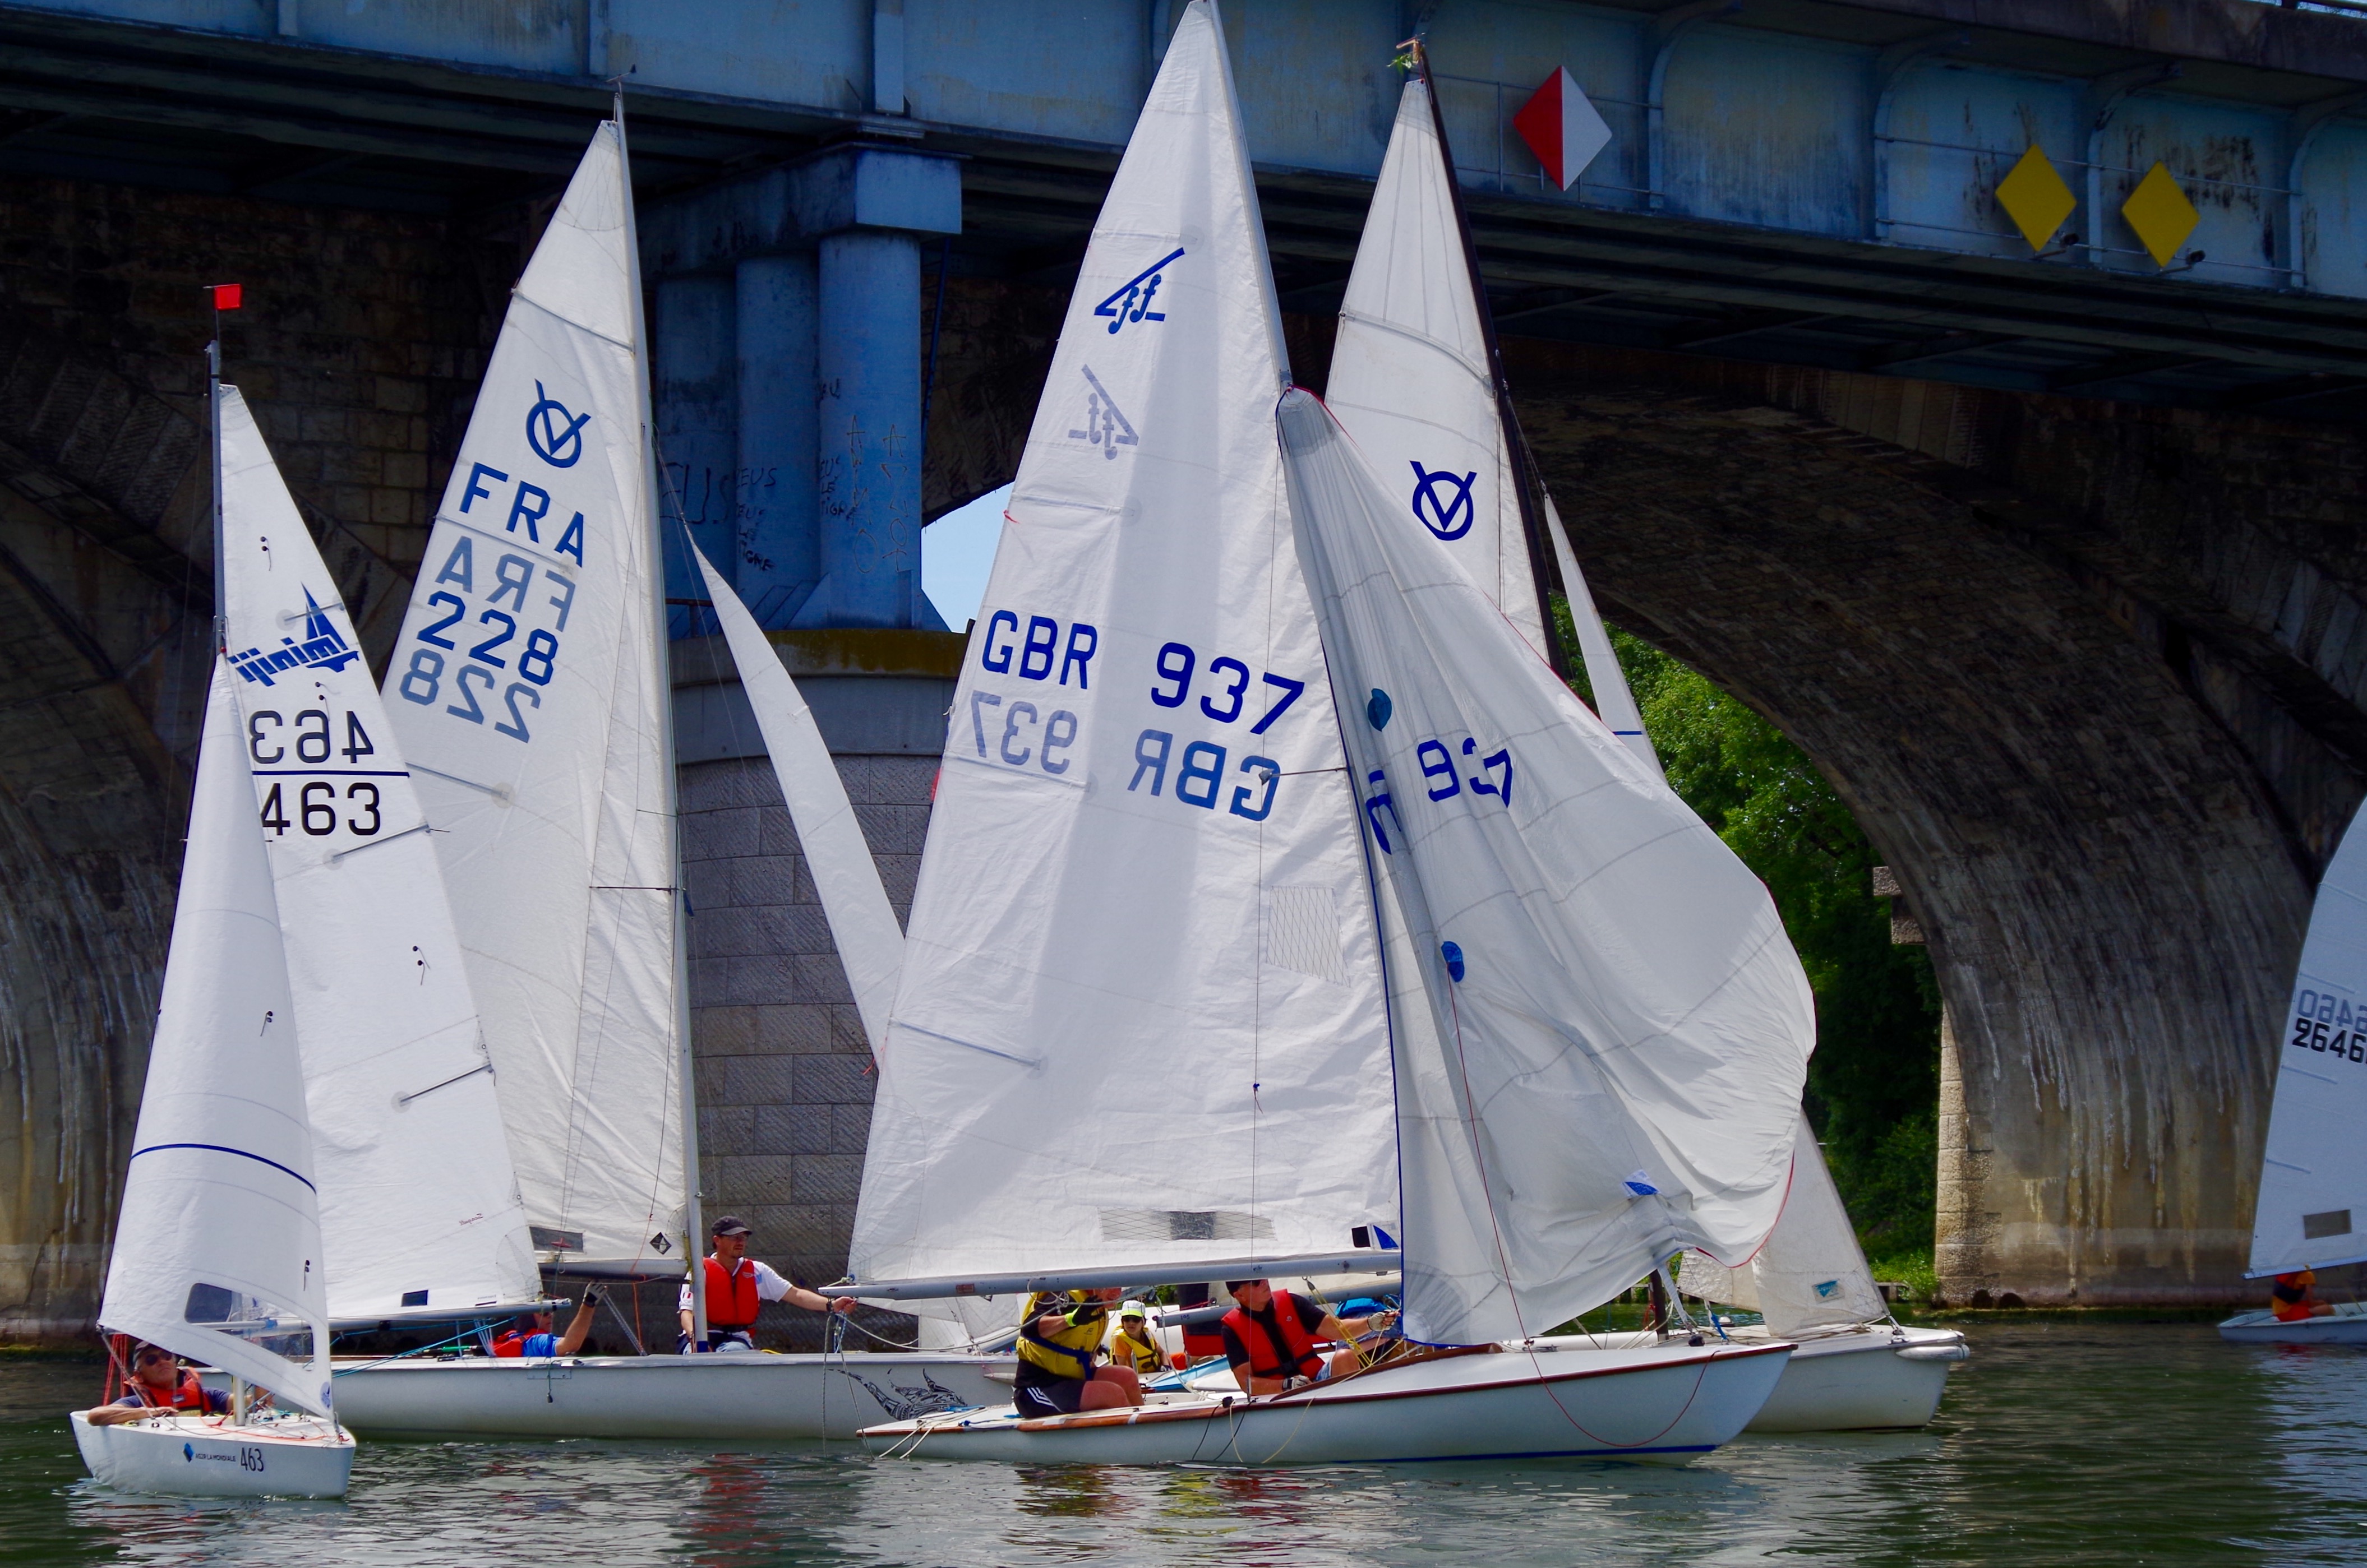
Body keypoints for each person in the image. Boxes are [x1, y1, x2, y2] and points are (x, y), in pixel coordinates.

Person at [677, 1215, 855, 1352]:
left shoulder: (757, 1271)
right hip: (700, 1336)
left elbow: (796, 1294)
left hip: (736, 1338)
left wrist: (831, 1305)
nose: (740, 1242)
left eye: (743, 1238)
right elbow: (687, 1311)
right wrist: (696, 1340)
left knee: (735, 1353)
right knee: (695, 1355)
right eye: (734, 1238)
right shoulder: (700, 1271)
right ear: (717, 1240)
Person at [1219, 1278, 1395, 1397]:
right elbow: (1246, 1383)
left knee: (1345, 1356)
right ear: (1239, 1295)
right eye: (1256, 1282)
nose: (1264, 1282)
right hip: (1278, 1396)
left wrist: (1371, 1323)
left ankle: (1352, 1410)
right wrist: (1286, 1386)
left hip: (1316, 1381)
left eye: (1263, 1276)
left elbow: (1337, 1329)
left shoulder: (1292, 1302)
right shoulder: (1231, 1329)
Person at [1012, 1285, 1143, 1417]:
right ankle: (1128, 1433)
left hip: (1071, 1380)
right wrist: (1071, 1319)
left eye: (1119, 1287)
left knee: (1127, 1377)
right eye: (1110, 1286)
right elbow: (1029, 1329)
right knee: (1113, 1394)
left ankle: (1143, 1430)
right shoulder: (1065, 1298)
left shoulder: (1097, 1306)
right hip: (1037, 1388)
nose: (1117, 1293)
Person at [84, 1342, 236, 1425]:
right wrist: (147, 1412)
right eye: (152, 1360)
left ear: (175, 1365)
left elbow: (247, 1402)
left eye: (166, 1356)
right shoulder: (138, 1401)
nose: (162, 1361)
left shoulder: (208, 1395)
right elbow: (95, 1416)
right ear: (139, 1375)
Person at [492, 1287, 603, 1358]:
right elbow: (570, 1346)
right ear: (528, 1317)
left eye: (550, 1312)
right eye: (544, 1312)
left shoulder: (510, 1337)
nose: (550, 1316)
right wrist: (588, 1304)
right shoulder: (536, 1341)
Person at [1107, 1300, 1166, 1376]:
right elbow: (1123, 1369)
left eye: (1136, 1319)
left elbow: (1162, 1353)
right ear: (1122, 1322)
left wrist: (1166, 1366)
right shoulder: (1119, 1339)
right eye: (1127, 1319)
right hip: (1137, 1378)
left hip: (1157, 1373)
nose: (1131, 1323)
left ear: (1143, 1322)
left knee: (1181, 1358)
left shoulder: (1148, 1334)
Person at [2272, 1269, 2337, 1322]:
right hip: (2286, 1313)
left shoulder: (2284, 1270)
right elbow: (2311, 1303)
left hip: (2279, 1310)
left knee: (2321, 1304)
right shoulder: (2307, 1275)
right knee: (2328, 1309)